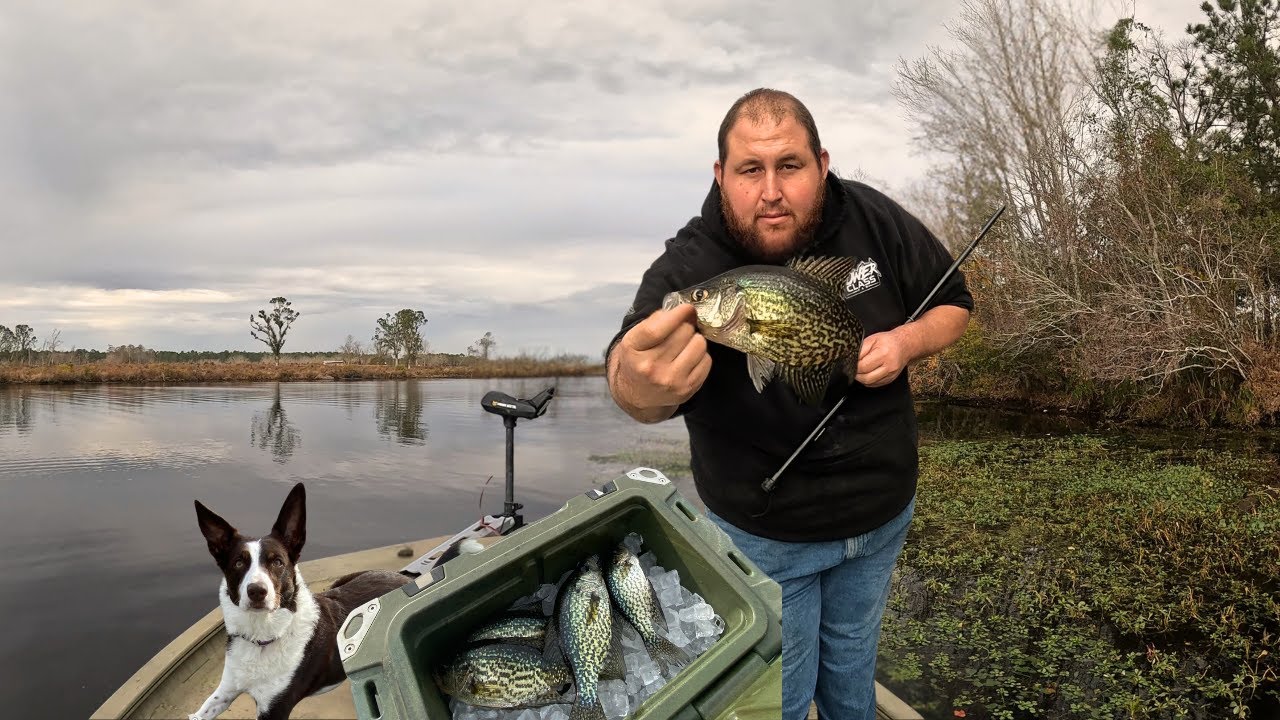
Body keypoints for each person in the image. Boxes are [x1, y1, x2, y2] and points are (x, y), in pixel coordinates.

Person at [604, 88, 973, 720]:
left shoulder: (873, 217)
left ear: (822, 165)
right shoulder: (695, 264)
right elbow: (628, 367)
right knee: (781, 693)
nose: (771, 191)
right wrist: (637, 385)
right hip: (765, 536)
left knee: (852, 674)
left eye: (790, 167)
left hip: (881, 514)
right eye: (750, 170)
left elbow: (954, 303)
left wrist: (906, 341)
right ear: (721, 175)